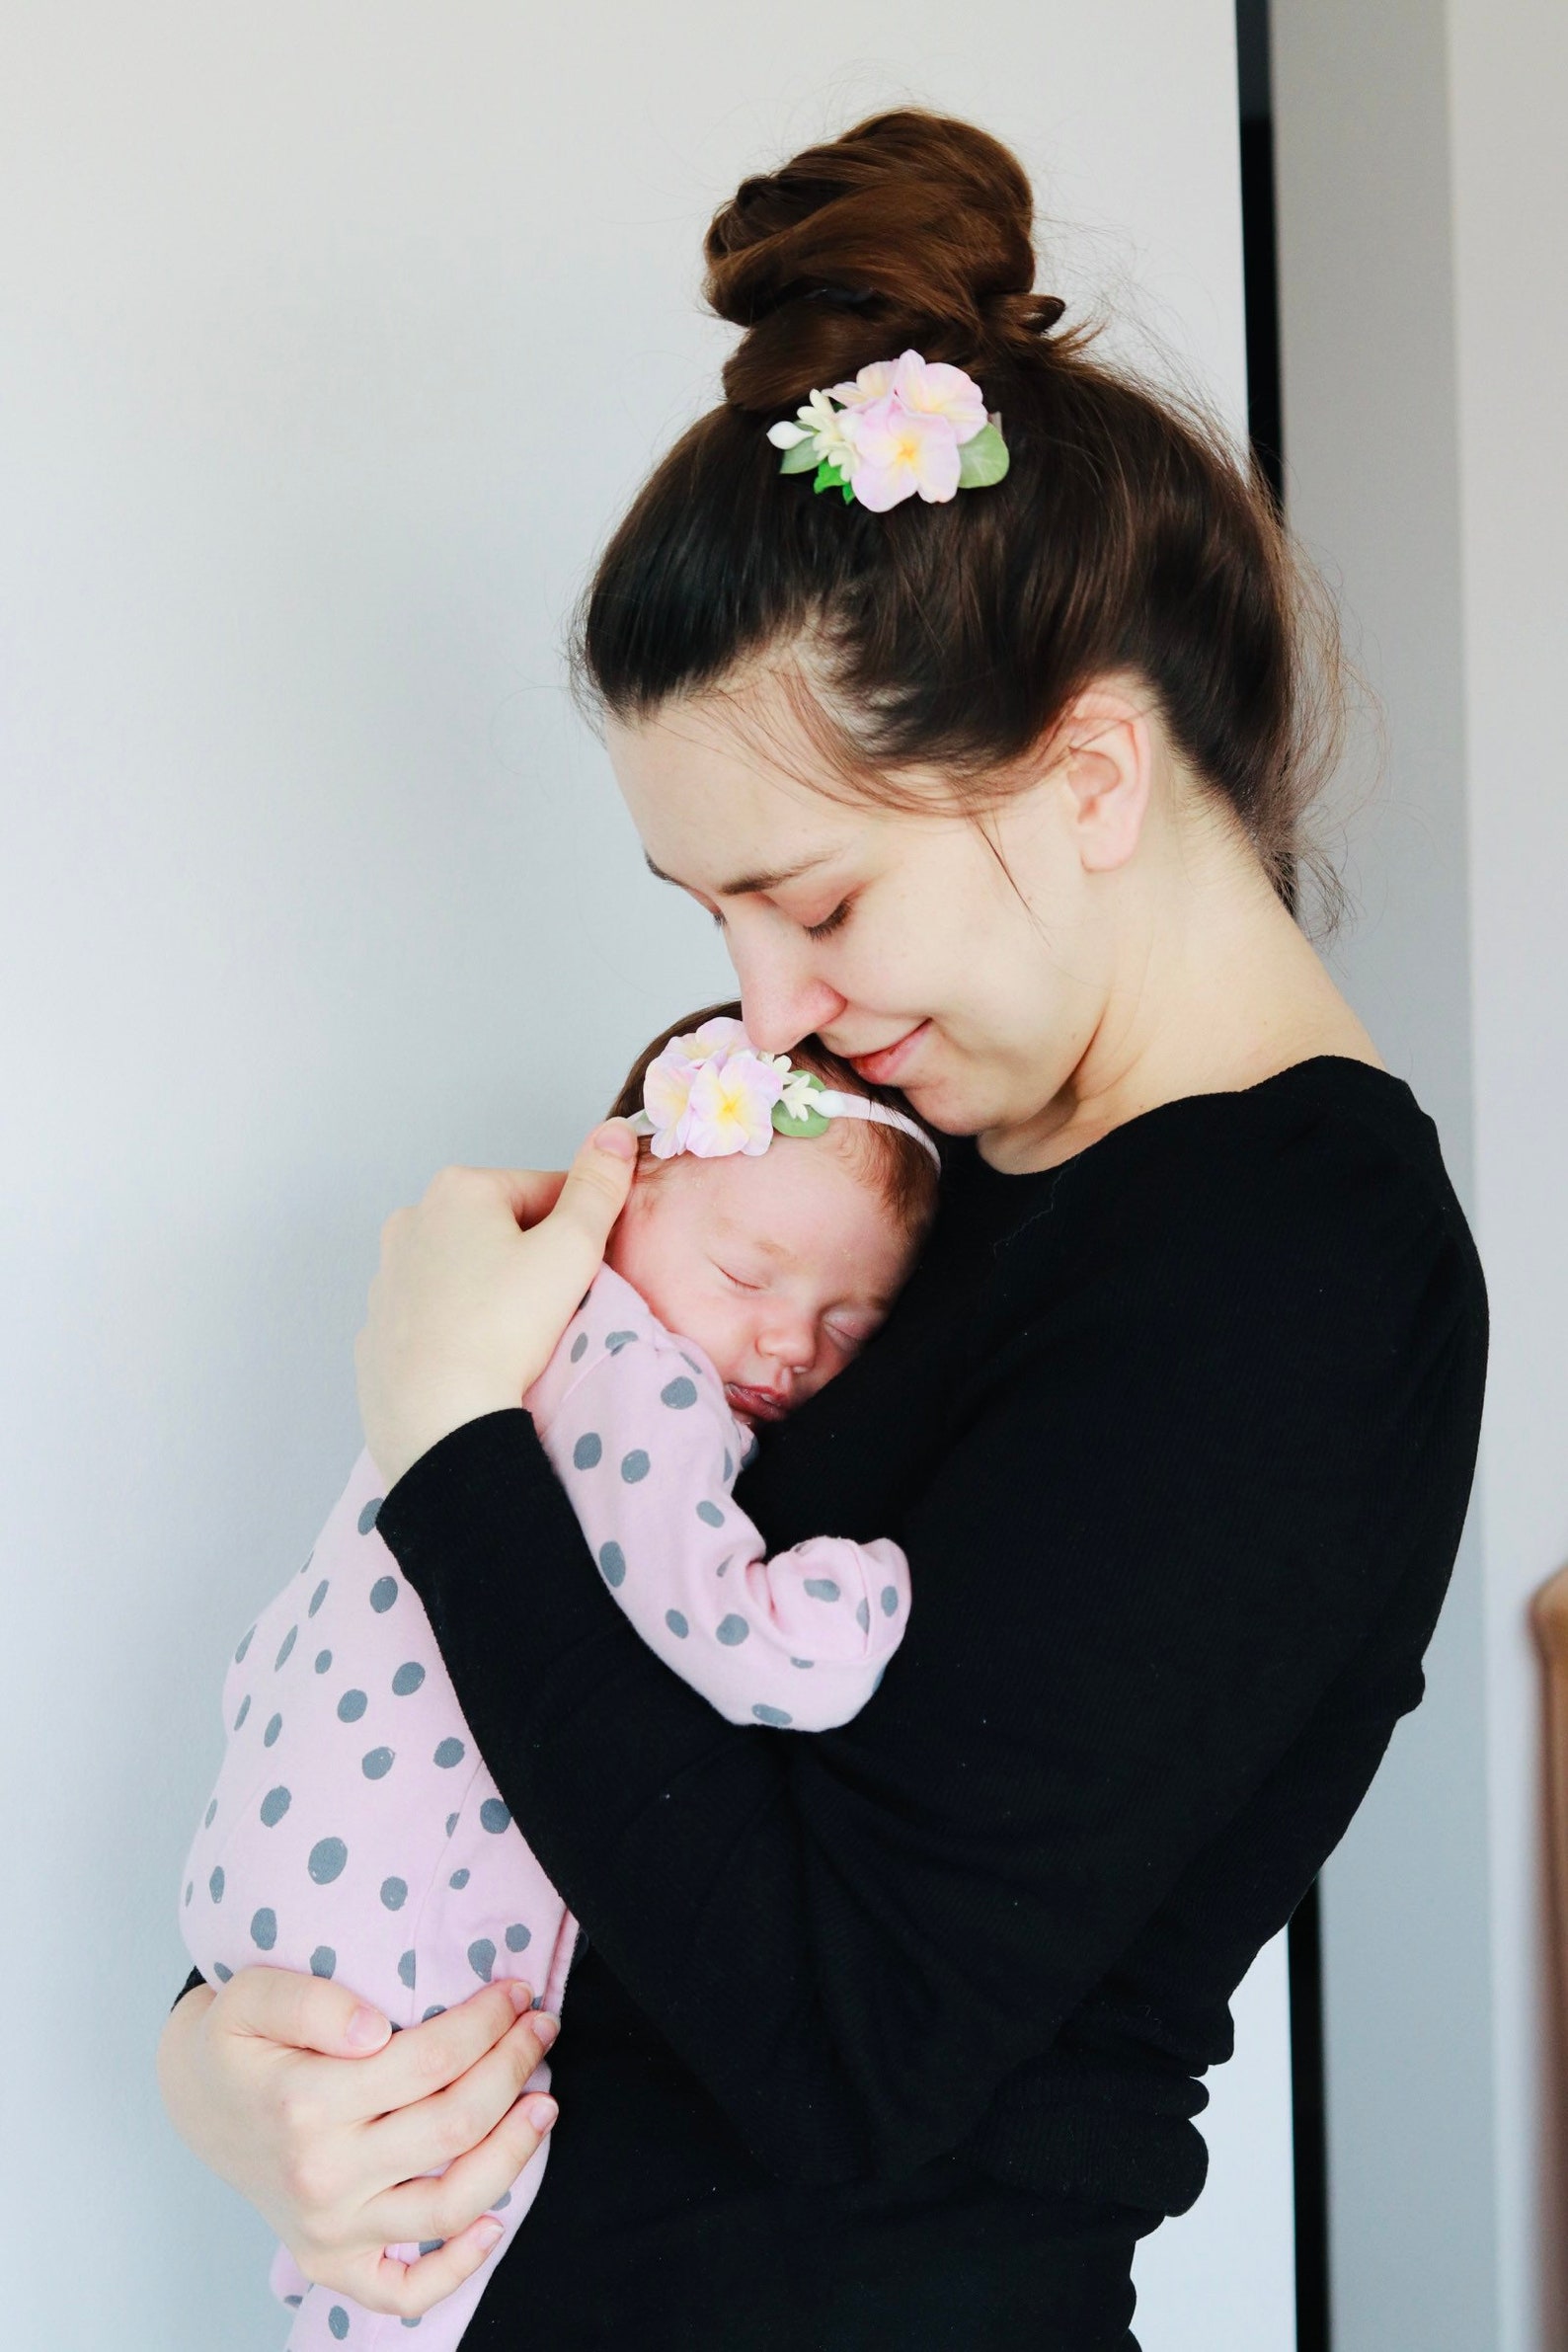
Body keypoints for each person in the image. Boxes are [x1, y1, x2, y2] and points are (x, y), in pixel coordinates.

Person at [158, 109, 1488, 2350]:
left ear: (1083, 779)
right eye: (714, 921)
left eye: (818, 900)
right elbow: (513, 1735)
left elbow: (841, 2050)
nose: (767, 1014)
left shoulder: (1296, 1282)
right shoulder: (892, 1184)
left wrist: (446, 1444)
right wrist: (228, 2045)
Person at [177, 1012, 936, 2351]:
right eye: (748, 1273)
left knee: (363, 2256)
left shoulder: (505, 1335)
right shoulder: (629, 1368)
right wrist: (862, 1591)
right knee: (438, 2208)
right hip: (386, 1903)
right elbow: (732, 1632)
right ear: (622, 1193)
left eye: (846, 1320)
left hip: (279, 1866)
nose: (787, 1344)